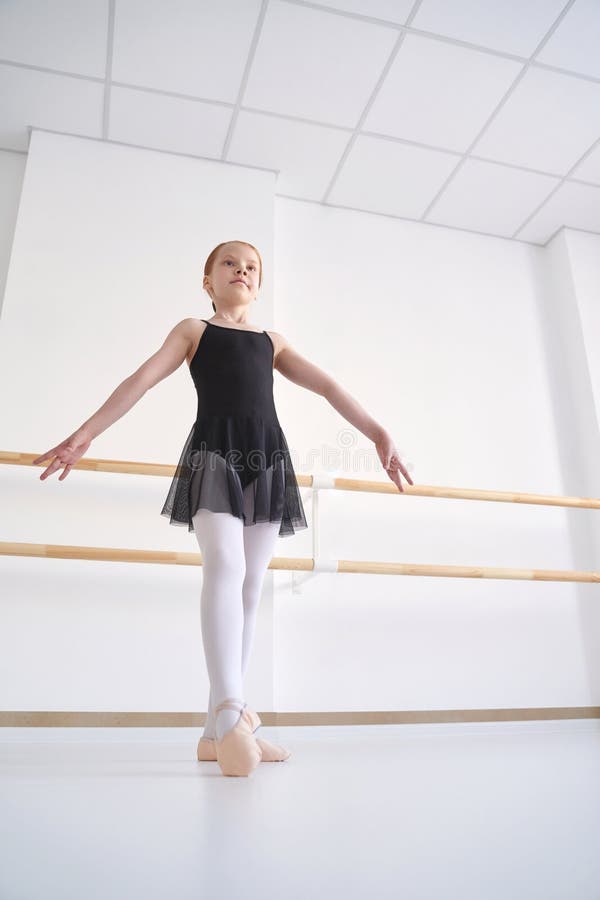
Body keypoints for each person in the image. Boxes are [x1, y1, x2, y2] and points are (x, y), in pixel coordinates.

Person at [32, 240, 413, 777]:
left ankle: (215, 733)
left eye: (252, 266)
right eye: (229, 263)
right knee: (225, 567)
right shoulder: (193, 330)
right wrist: (84, 434)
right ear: (208, 281)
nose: (242, 270)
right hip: (215, 453)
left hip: (268, 459)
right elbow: (140, 380)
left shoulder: (271, 341)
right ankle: (234, 716)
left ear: (259, 284)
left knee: (252, 585)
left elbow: (327, 385)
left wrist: (378, 432)